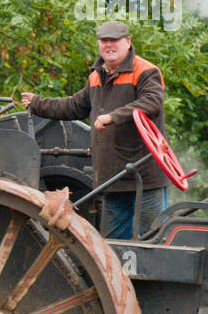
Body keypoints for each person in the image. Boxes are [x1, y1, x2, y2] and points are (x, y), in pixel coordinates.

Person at [21, 20, 170, 239]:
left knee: (153, 241)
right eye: (104, 41)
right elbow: (74, 106)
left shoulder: (145, 71)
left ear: (128, 42)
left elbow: (151, 103)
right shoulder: (96, 75)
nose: (109, 45)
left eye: (114, 40)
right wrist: (37, 103)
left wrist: (112, 117)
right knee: (111, 246)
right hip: (112, 178)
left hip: (144, 177)